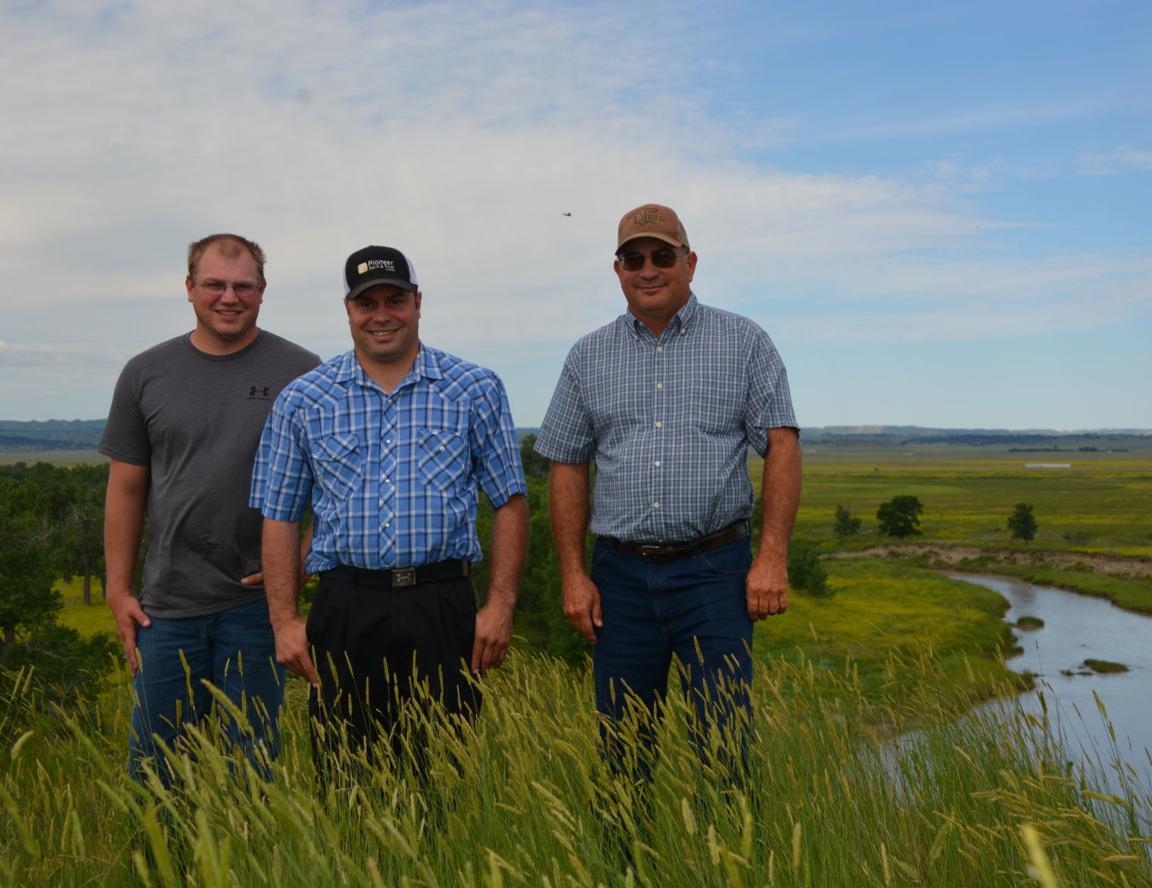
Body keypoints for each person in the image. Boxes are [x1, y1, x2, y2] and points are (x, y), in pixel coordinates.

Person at [535, 203, 801, 787]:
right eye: (634, 258)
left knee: (724, 747)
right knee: (622, 751)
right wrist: (573, 575)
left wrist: (772, 557)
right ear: (618, 268)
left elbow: (780, 445)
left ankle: (730, 863)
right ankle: (623, 870)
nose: (648, 268)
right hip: (620, 579)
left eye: (662, 255)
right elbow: (567, 467)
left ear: (690, 262)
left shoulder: (744, 342)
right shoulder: (588, 355)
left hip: (715, 572)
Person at [252, 244, 528, 780]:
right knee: (347, 776)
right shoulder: (304, 399)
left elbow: (510, 502)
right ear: (348, 310)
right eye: (366, 302)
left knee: (448, 773)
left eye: (395, 299)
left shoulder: (474, 388)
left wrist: (499, 606)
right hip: (345, 604)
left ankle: (445, 863)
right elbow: (279, 516)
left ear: (418, 302)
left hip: (441, 602)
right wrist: (284, 621)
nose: (382, 314)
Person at [101, 233, 321, 784]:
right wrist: (117, 589)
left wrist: (301, 560)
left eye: (243, 286)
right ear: (190, 288)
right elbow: (126, 488)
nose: (229, 297)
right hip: (166, 606)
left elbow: (336, 483)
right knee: (157, 771)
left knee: (249, 766)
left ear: (262, 291)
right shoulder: (145, 373)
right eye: (215, 285)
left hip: (256, 607)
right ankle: (162, 870)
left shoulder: (303, 371)